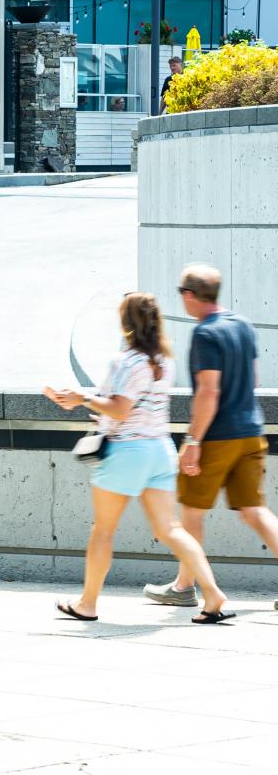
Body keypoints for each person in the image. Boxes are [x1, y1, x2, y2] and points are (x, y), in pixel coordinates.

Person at [45, 292, 232, 624]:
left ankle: (87, 604)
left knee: (103, 530)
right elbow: (135, 407)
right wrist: (97, 410)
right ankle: (213, 593)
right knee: (171, 529)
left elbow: (120, 408)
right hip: (160, 450)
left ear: (126, 323)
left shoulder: (126, 361)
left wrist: (82, 397)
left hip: (128, 452)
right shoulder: (164, 362)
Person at [144, 264, 278, 609]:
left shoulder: (206, 334)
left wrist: (193, 442)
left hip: (217, 437)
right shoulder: (243, 326)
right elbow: (252, 379)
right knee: (255, 511)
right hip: (251, 431)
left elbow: (208, 392)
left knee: (191, 513)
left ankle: (185, 587)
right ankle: (184, 584)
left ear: (189, 295)